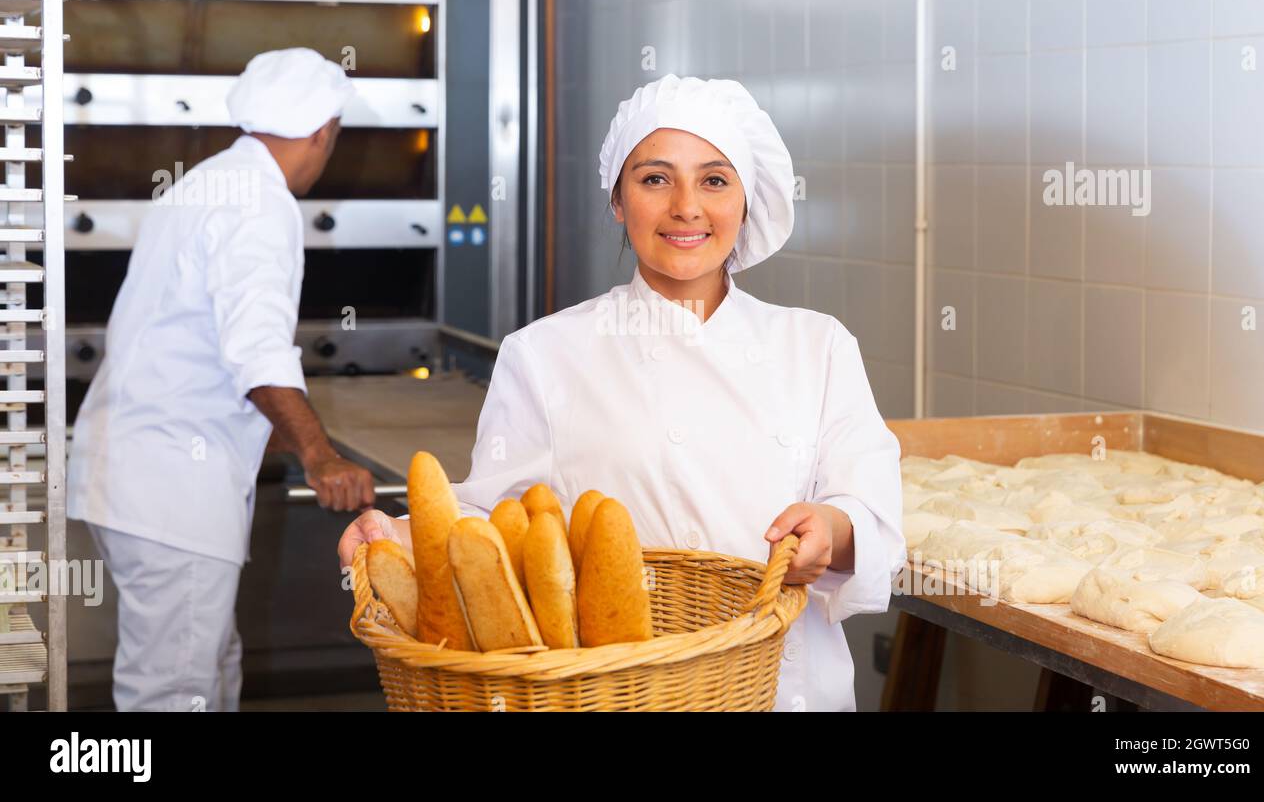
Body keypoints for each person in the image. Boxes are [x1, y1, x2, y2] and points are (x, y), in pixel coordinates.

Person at [338, 73, 904, 711]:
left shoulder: (817, 346)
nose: (687, 206)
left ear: (746, 201)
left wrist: (832, 527)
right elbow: (495, 528)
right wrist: (400, 534)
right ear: (617, 200)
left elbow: (875, 519)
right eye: (655, 178)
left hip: (785, 687)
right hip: (618, 690)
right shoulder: (546, 354)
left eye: (715, 180)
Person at [69, 48, 376, 712]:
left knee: (203, 667)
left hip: (135, 471)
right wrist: (318, 455)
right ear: (324, 131)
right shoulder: (261, 205)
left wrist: (268, 437)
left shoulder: (206, 183)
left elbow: (193, 338)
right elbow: (255, 349)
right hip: (169, 488)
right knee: (175, 689)